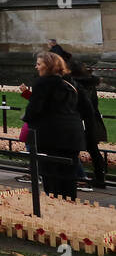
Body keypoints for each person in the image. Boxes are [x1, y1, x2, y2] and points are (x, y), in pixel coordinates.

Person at [21, 51, 85, 199]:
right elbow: (86, 109)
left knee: (51, 178)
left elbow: (33, 110)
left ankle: (55, 209)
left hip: (50, 136)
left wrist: (29, 120)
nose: (36, 67)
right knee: (69, 179)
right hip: (73, 136)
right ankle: (69, 207)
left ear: (48, 66)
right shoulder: (71, 83)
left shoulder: (43, 82)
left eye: (39, 64)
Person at [69, 60, 107, 188]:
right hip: (91, 120)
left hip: (83, 120)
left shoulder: (80, 85)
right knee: (93, 150)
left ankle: (81, 177)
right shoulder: (89, 83)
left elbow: (82, 104)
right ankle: (99, 178)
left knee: (73, 149)